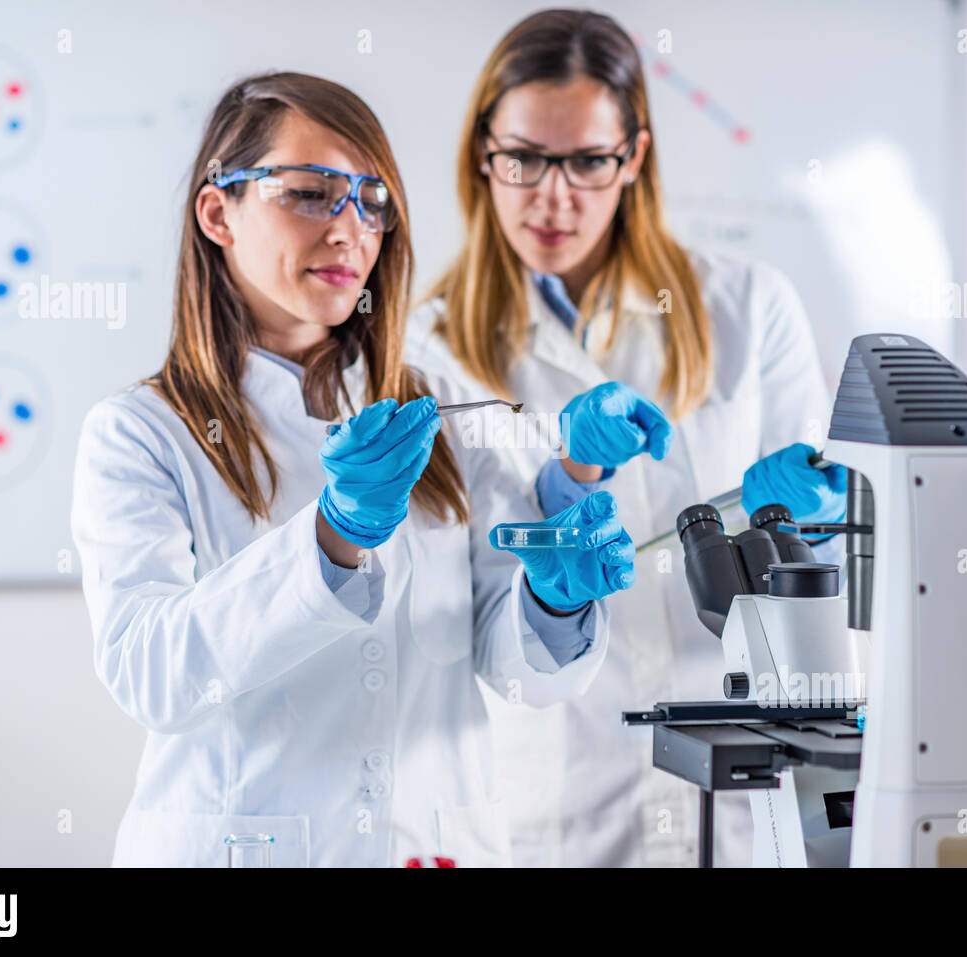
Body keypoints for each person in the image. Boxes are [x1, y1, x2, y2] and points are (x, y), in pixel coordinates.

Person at [70, 71, 635, 867]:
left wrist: (550, 596)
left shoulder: (435, 405)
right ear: (216, 211)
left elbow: (520, 674)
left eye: (373, 202)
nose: (349, 229)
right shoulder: (140, 434)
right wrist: (332, 539)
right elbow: (152, 674)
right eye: (309, 192)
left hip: (432, 846)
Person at [405, 9, 847, 867]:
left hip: (744, 790)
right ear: (481, 153)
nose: (553, 196)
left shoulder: (748, 307)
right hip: (557, 796)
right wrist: (563, 484)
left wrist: (812, 518)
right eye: (524, 158)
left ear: (634, 158)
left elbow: (825, 564)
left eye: (588, 162)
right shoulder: (431, 350)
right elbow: (466, 615)